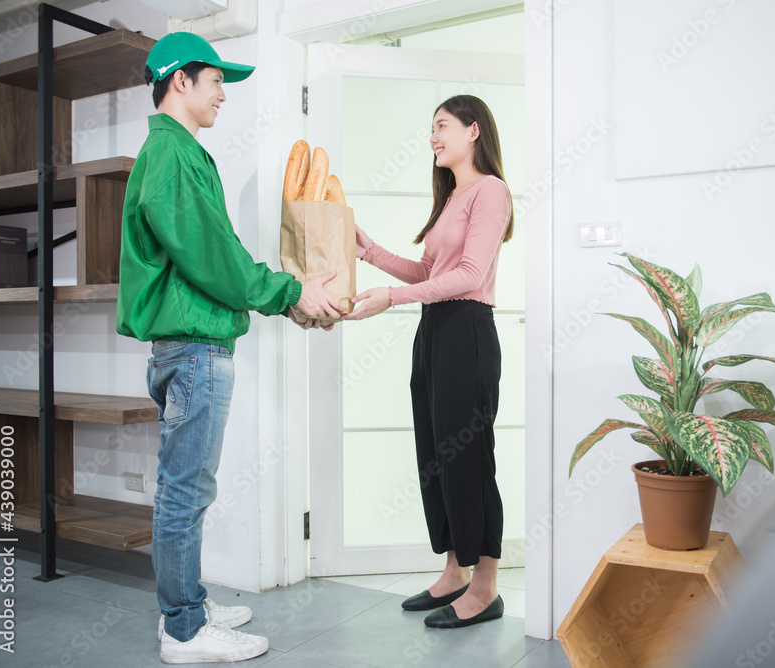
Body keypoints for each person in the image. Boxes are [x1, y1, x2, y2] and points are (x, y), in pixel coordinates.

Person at [115, 32, 339, 664]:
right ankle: (183, 629)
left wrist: (284, 291)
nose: (222, 94)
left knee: (189, 486)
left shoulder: (177, 152)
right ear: (179, 80)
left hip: (193, 342)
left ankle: (188, 602)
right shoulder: (171, 156)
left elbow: (218, 250)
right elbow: (210, 257)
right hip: (191, 347)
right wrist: (287, 292)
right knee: (185, 491)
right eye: (215, 80)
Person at [345, 94, 513, 628]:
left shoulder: (492, 192)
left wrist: (386, 300)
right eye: (431, 129)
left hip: (467, 330)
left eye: (442, 126)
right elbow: (427, 272)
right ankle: (453, 572)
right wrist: (369, 251)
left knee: (470, 459)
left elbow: (467, 275)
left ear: (474, 131)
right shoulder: (452, 196)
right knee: (436, 454)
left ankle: (485, 588)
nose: (433, 137)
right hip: (435, 332)